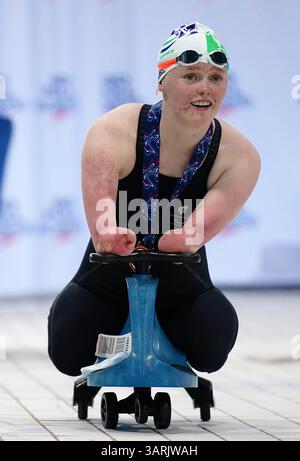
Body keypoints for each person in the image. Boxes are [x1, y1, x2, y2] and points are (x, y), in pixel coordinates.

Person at [48, 21, 260, 377]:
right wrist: (110, 236)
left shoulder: (239, 157)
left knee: (213, 343)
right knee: (67, 351)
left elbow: (184, 240)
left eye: (216, 78)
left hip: (181, 285)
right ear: (161, 81)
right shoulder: (113, 131)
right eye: (190, 76)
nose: (204, 89)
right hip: (108, 278)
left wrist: (171, 239)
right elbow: (104, 234)